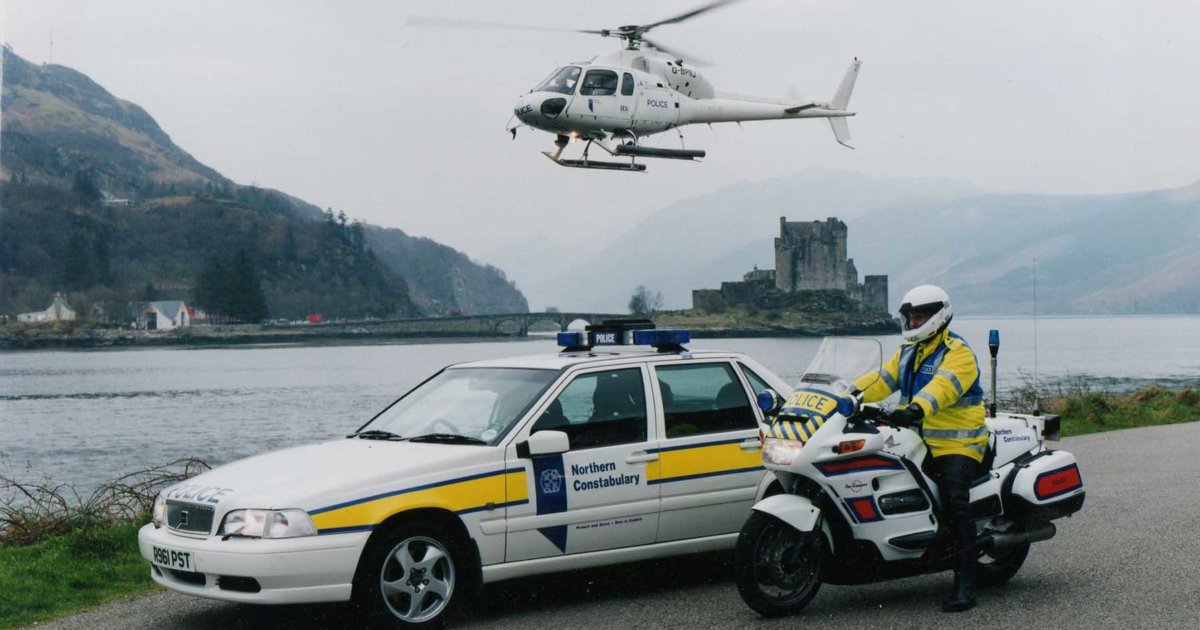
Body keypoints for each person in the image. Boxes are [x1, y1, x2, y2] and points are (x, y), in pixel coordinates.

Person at [852, 284, 986, 612]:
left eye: (920, 316)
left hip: (957, 442)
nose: (913, 322)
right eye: (911, 316)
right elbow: (881, 380)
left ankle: (965, 583)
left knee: (954, 500)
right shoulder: (909, 351)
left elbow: (943, 387)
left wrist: (916, 408)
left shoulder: (958, 353)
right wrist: (846, 394)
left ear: (938, 316)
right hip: (914, 438)